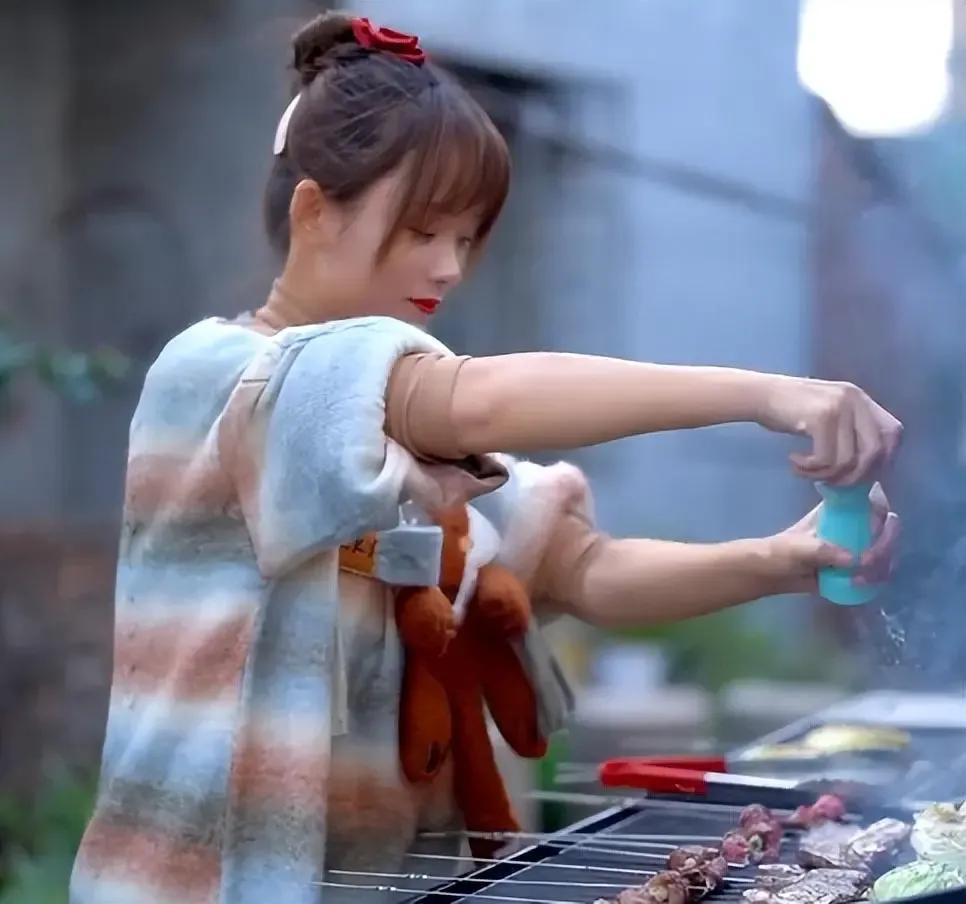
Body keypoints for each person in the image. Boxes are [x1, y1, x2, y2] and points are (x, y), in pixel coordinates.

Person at [70, 11, 901, 904]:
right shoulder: (219, 376)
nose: (451, 267)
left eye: (466, 238)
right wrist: (769, 395)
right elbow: (475, 397)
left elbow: (587, 569)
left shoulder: (399, 425)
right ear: (314, 213)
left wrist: (782, 561)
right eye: (423, 231)